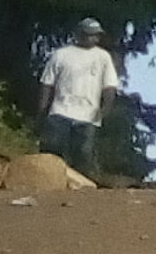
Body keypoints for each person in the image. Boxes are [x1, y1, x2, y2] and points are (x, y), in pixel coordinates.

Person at [34, 28, 118, 173]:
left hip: (88, 115)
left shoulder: (103, 57)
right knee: (52, 149)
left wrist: (104, 111)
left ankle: (79, 191)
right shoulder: (61, 54)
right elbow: (47, 83)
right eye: (90, 34)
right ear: (79, 35)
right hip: (60, 110)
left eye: (96, 35)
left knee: (83, 155)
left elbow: (109, 86)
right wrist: (42, 110)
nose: (93, 38)